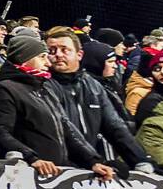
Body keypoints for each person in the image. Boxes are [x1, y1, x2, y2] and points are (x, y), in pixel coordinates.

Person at [0, 36, 114, 180]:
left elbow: (67, 131)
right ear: (24, 58)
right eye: (42, 57)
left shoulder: (46, 89)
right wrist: (31, 158)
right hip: (25, 177)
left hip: (55, 175)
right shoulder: (4, 89)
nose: (48, 62)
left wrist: (92, 162)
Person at [44, 27, 150, 168]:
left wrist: (141, 161)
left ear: (79, 54)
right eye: (52, 51)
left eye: (65, 50)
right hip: (56, 170)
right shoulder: (42, 85)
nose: (58, 55)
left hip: (89, 169)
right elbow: (63, 129)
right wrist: (92, 161)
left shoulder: (93, 86)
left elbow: (115, 127)